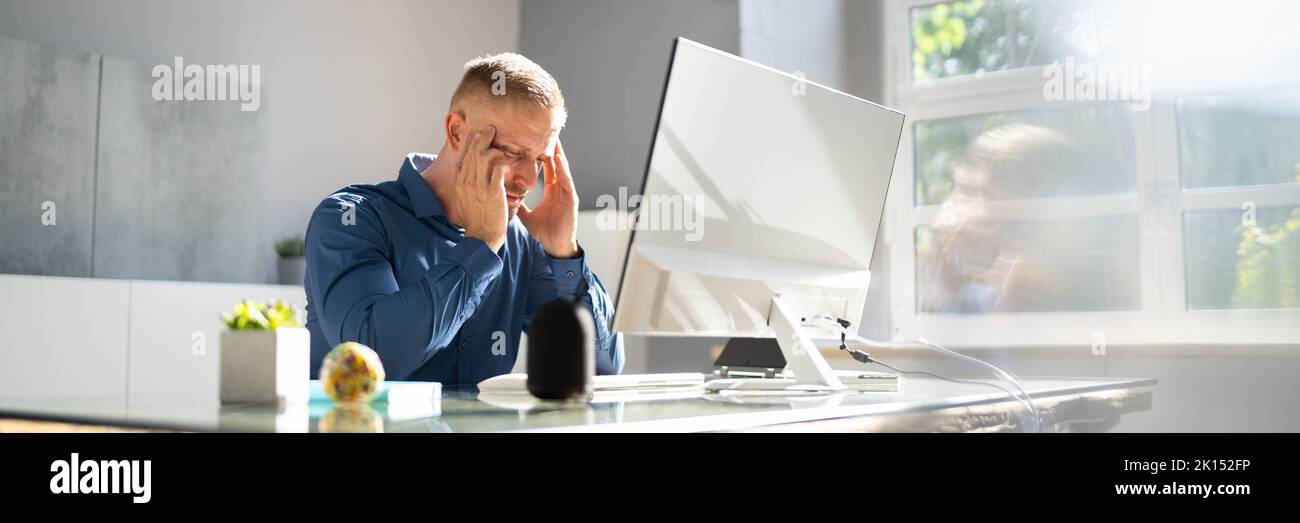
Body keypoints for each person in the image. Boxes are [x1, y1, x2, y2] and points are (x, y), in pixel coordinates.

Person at [303, 52, 623, 385]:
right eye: (513, 153)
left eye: (540, 159)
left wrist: (563, 251)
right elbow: (371, 360)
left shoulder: (520, 243)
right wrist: (481, 245)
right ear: (456, 131)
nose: (529, 180)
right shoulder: (349, 219)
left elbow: (604, 367)